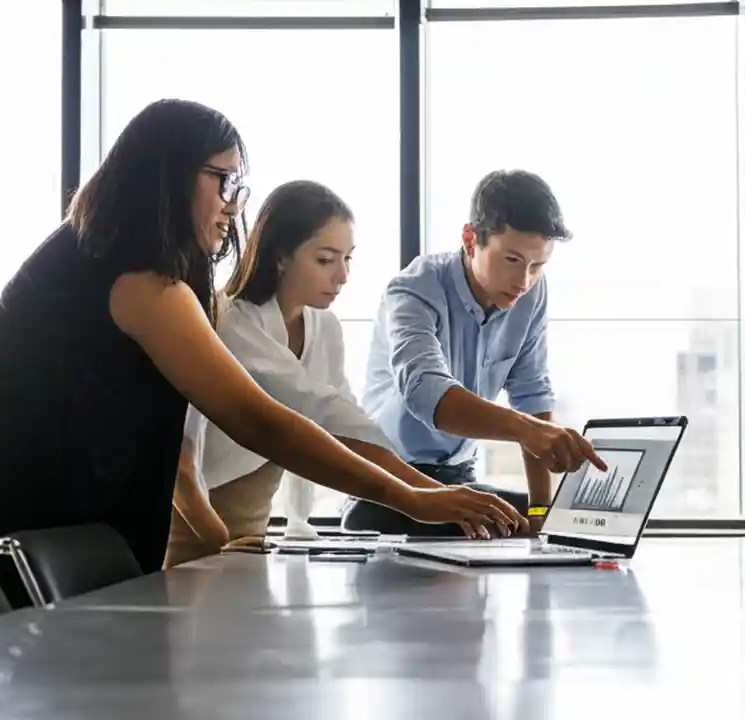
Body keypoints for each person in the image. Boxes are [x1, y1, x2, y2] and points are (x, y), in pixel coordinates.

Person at [0, 99, 525, 606]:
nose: (232, 204)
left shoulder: (131, 262)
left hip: (0, 494)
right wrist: (411, 497)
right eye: (223, 181)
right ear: (166, 174)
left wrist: (414, 492)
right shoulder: (136, 278)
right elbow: (257, 419)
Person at [166, 181, 509, 567]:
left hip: (251, 529)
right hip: (197, 523)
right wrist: (422, 496)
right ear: (280, 257)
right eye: (326, 260)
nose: (342, 275)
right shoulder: (232, 321)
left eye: (348, 259)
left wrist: (436, 495)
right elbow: (320, 411)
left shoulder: (324, 327)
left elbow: (350, 421)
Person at [346, 170, 604, 536]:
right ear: (470, 240)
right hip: (389, 485)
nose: (524, 281)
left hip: (461, 479)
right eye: (512, 260)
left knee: (571, 520)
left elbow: (532, 394)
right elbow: (426, 394)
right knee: (483, 526)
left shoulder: (530, 293)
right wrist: (528, 430)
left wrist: (540, 512)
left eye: (537, 266)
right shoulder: (413, 290)